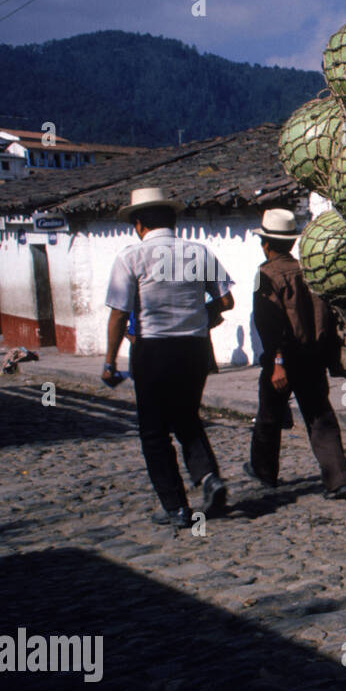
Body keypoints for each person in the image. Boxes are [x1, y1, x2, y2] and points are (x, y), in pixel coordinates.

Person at [103, 187, 233, 528]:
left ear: (139, 223)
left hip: (154, 350)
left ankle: (175, 505)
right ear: (171, 220)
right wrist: (194, 315)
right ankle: (208, 477)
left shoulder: (131, 258)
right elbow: (226, 301)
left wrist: (108, 361)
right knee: (187, 417)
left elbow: (119, 314)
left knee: (154, 431)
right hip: (194, 349)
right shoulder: (198, 252)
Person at [244, 208, 346, 498]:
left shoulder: (265, 276)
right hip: (312, 357)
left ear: (265, 244)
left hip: (283, 357)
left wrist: (278, 362)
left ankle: (264, 471)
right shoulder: (310, 272)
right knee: (320, 416)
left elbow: (269, 324)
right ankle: (338, 477)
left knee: (269, 416)